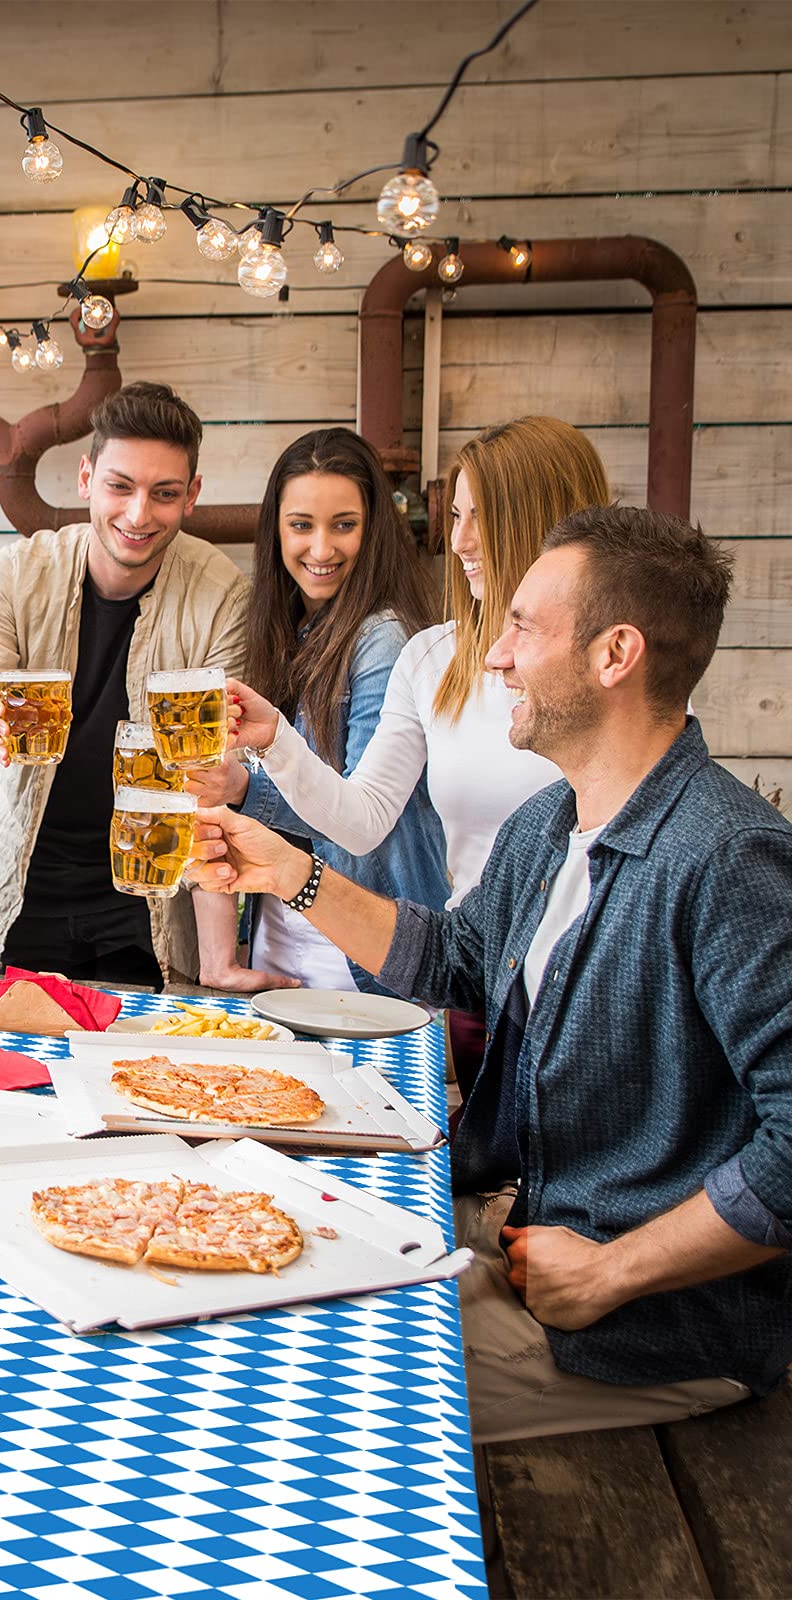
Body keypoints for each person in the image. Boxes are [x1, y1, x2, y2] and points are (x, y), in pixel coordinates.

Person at [186, 506, 790, 1442]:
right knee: (234, 1246)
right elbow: (457, 963)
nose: (497, 655)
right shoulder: (551, 823)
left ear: (614, 653)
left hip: (644, 1326)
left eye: (523, 627)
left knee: (291, 1394)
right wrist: (291, 875)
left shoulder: (729, 858)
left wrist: (610, 1271)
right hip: (512, 1215)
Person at [221, 417, 609, 1072]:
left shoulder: (611, 664)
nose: (458, 540)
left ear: (546, 520)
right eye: (454, 514)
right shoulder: (434, 655)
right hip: (471, 975)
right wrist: (276, 741)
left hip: (582, 982)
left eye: (481, 516)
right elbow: (364, 823)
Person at [0, 382, 250, 985]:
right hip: (26, 894)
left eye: (165, 494)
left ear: (193, 496)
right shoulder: (19, 573)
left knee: (146, 1076)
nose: (138, 514)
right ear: (86, 477)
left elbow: (223, 770)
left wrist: (219, 960)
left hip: (155, 909)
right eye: (120, 486)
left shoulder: (222, 592)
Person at [184, 428, 447, 992]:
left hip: (358, 952)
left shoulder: (383, 637)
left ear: (374, 529)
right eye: (302, 525)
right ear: (276, 529)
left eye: (344, 525)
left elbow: (360, 818)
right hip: (284, 935)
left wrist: (241, 788)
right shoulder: (290, 629)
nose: (322, 549)